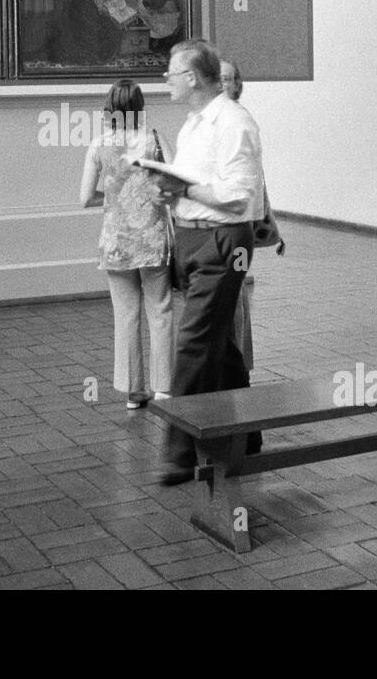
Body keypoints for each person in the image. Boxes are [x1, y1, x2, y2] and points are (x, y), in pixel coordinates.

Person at [149, 40, 263, 484]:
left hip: (224, 243)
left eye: (171, 73)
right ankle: (247, 434)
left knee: (193, 343)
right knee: (220, 344)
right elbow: (196, 184)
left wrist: (182, 191)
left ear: (193, 77)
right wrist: (169, 187)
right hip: (194, 239)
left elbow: (237, 197)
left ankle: (179, 453)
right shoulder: (193, 125)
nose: (166, 80)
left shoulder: (234, 123)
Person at [80, 80, 175, 409]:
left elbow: (84, 198)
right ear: (140, 106)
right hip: (152, 239)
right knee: (160, 312)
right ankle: (164, 387)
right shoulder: (154, 139)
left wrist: (116, 193)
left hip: (116, 244)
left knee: (126, 317)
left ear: (109, 108)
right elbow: (173, 183)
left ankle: (134, 394)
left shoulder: (98, 145)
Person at [220, 59, 257, 371]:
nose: (222, 84)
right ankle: (235, 362)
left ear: (236, 85)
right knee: (233, 291)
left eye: (228, 79)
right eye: (217, 78)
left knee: (235, 289)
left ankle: (238, 365)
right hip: (226, 225)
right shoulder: (215, 121)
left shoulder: (239, 121)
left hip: (238, 224)